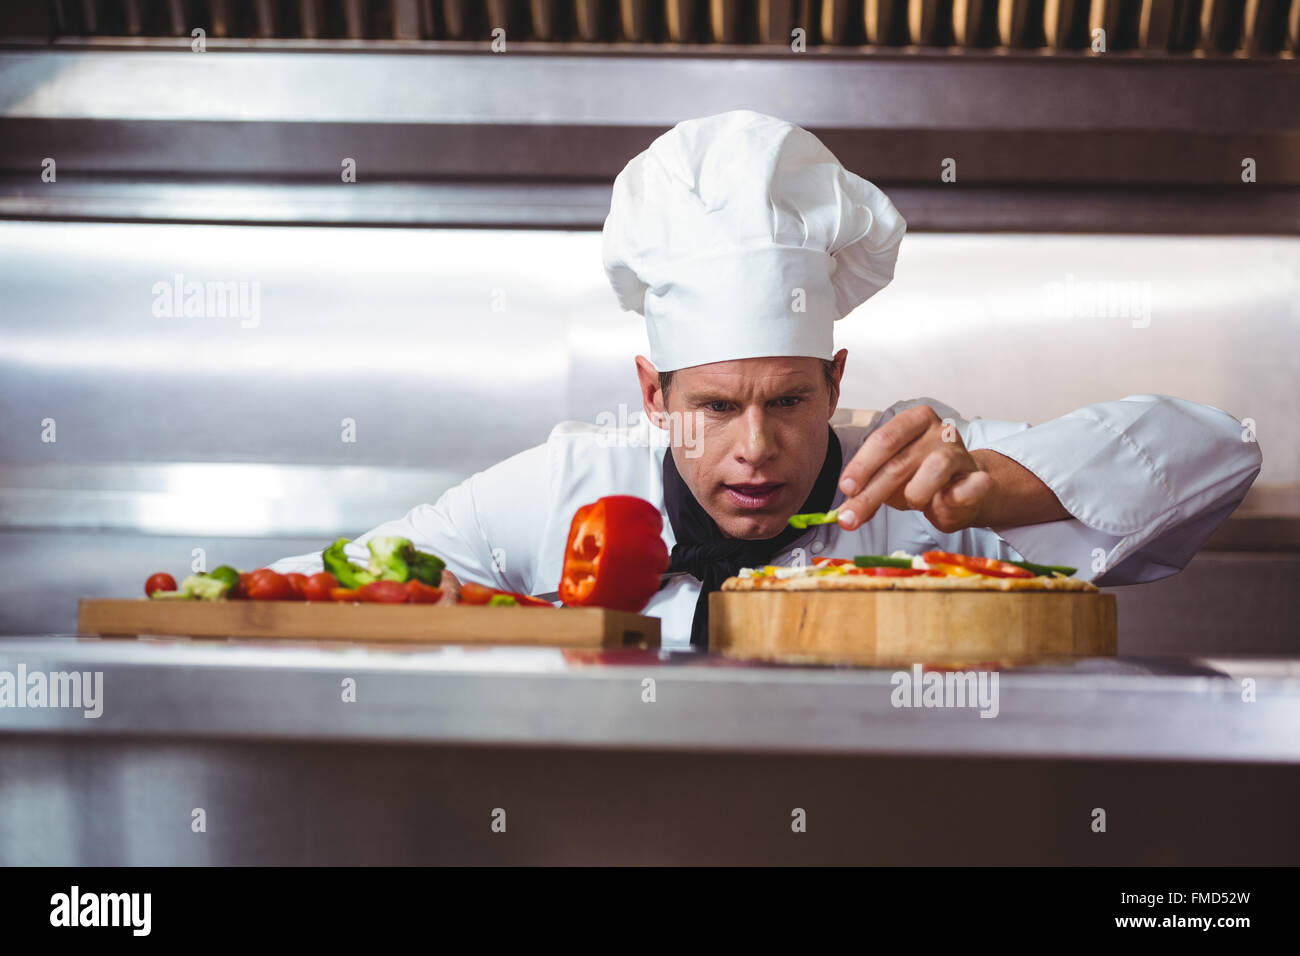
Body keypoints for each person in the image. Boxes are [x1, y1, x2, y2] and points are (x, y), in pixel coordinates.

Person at [269, 110, 1262, 650]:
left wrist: (1003, 484)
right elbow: (342, 586)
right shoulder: (560, 489)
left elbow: (1220, 450)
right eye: (713, 406)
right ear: (652, 394)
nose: (755, 447)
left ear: (835, 382)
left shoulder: (921, 477)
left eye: (787, 400)